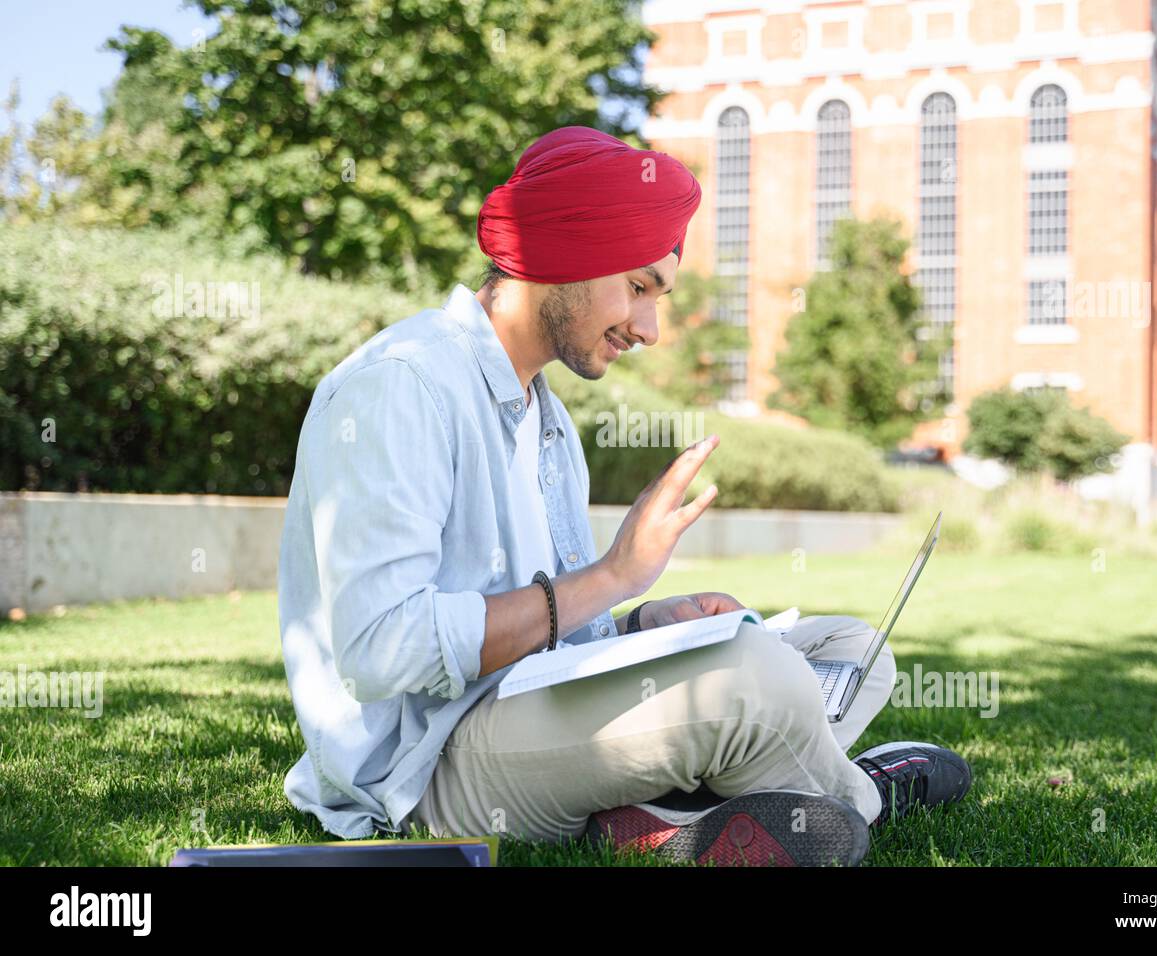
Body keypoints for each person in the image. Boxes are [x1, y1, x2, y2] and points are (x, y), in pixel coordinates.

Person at [277, 126, 971, 866]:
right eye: (640, 288)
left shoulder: (545, 419)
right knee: (754, 683)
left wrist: (644, 619)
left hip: (526, 711)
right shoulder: (403, 385)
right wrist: (612, 576)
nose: (649, 328)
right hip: (427, 770)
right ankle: (858, 797)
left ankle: (667, 812)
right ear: (560, 257)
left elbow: (553, 635)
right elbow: (382, 652)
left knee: (849, 651)